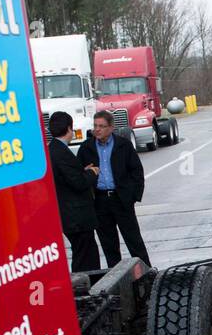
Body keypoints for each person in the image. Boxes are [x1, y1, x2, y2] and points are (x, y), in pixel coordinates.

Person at [78, 110, 151, 267]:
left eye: (102, 126)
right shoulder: (86, 148)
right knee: (109, 245)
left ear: (111, 128)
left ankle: (148, 275)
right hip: (100, 201)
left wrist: (133, 196)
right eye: (95, 126)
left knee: (134, 240)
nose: (97, 129)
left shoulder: (123, 145)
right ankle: (117, 280)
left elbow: (136, 171)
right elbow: (80, 175)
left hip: (121, 198)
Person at [47, 111, 99, 273]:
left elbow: (66, 177)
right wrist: (92, 173)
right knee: (85, 257)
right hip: (76, 217)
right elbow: (78, 183)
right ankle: (85, 290)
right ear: (69, 128)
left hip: (70, 215)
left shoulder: (54, 149)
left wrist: (81, 171)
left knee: (83, 253)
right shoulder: (60, 152)